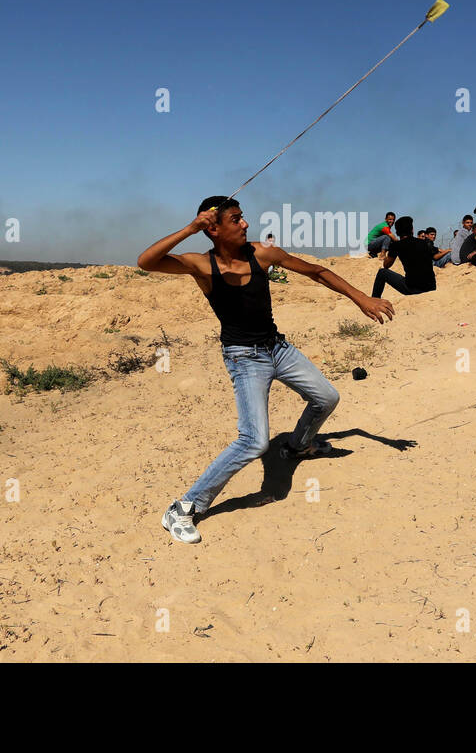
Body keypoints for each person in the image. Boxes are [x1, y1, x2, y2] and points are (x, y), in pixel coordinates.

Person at [138, 196, 395, 543]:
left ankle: (298, 445)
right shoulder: (201, 265)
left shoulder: (263, 254)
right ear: (213, 228)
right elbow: (146, 262)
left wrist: (360, 297)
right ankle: (184, 507)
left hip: (277, 348)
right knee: (254, 441)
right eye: (236, 220)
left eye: (244, 218)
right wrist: (190, 228)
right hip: (245, 358)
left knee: (326, 397)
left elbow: (317, 271)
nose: (245, 224)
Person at [372, 216, 437, 298]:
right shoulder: (424, 243)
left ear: (398, 232)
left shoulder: (397, 246)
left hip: (412, 288)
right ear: (412, 230)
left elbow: (386, 265)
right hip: (431, 287)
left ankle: (375, 300)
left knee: (382, 272)